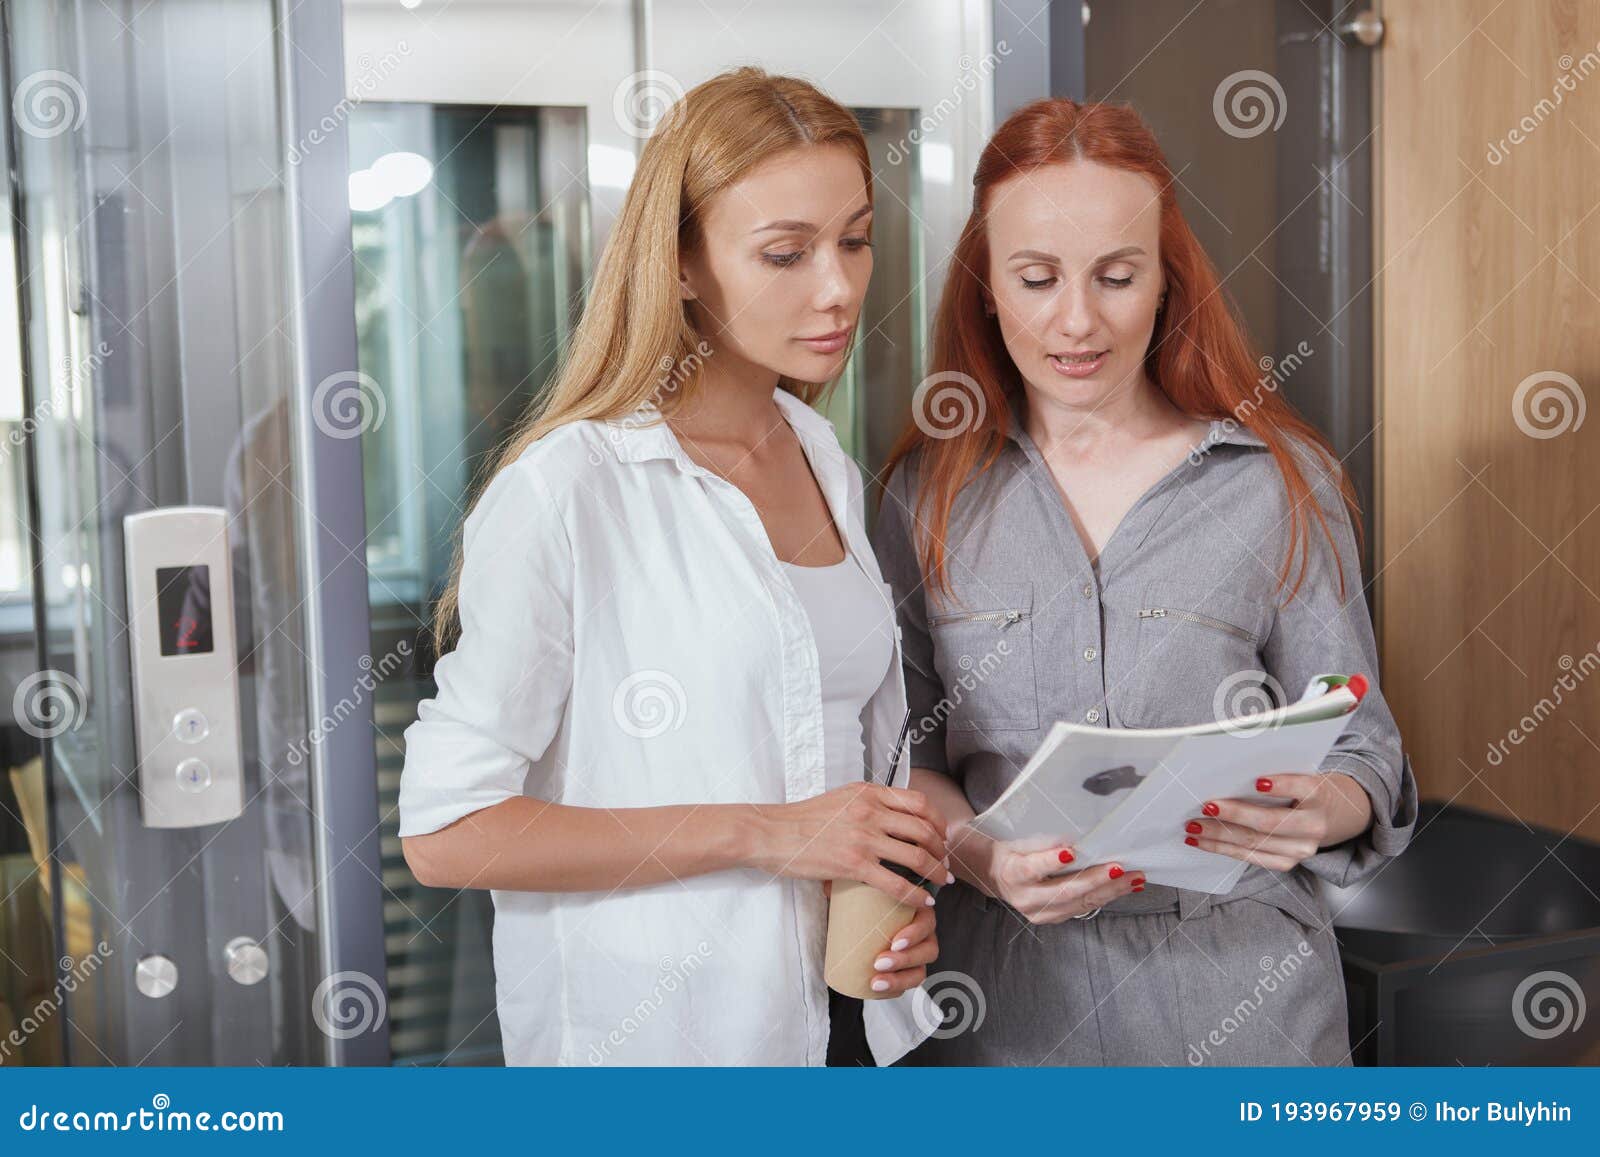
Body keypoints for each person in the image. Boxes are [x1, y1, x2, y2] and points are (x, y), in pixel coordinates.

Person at [397, 68, 949, 1066]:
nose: (837, 287)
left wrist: (880, 895)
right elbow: (448, 831)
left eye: (855, 240)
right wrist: (765, 833)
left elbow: (827, 761)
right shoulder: (570, 492)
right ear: (683, 263)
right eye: (785, 252)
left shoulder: (816, 450)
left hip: (842, 1029)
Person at [871, 97, 1419, 1066]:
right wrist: (980, 858)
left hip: (1244, 999)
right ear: (985, 289)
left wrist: (1320, 805)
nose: (1076, 320)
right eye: (1036, 277)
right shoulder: (923, 496)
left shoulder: (1279, 481)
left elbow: (1362, 744)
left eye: (1116, 276)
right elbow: (906, 757)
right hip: (1001, 1009)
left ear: (1167, 283)